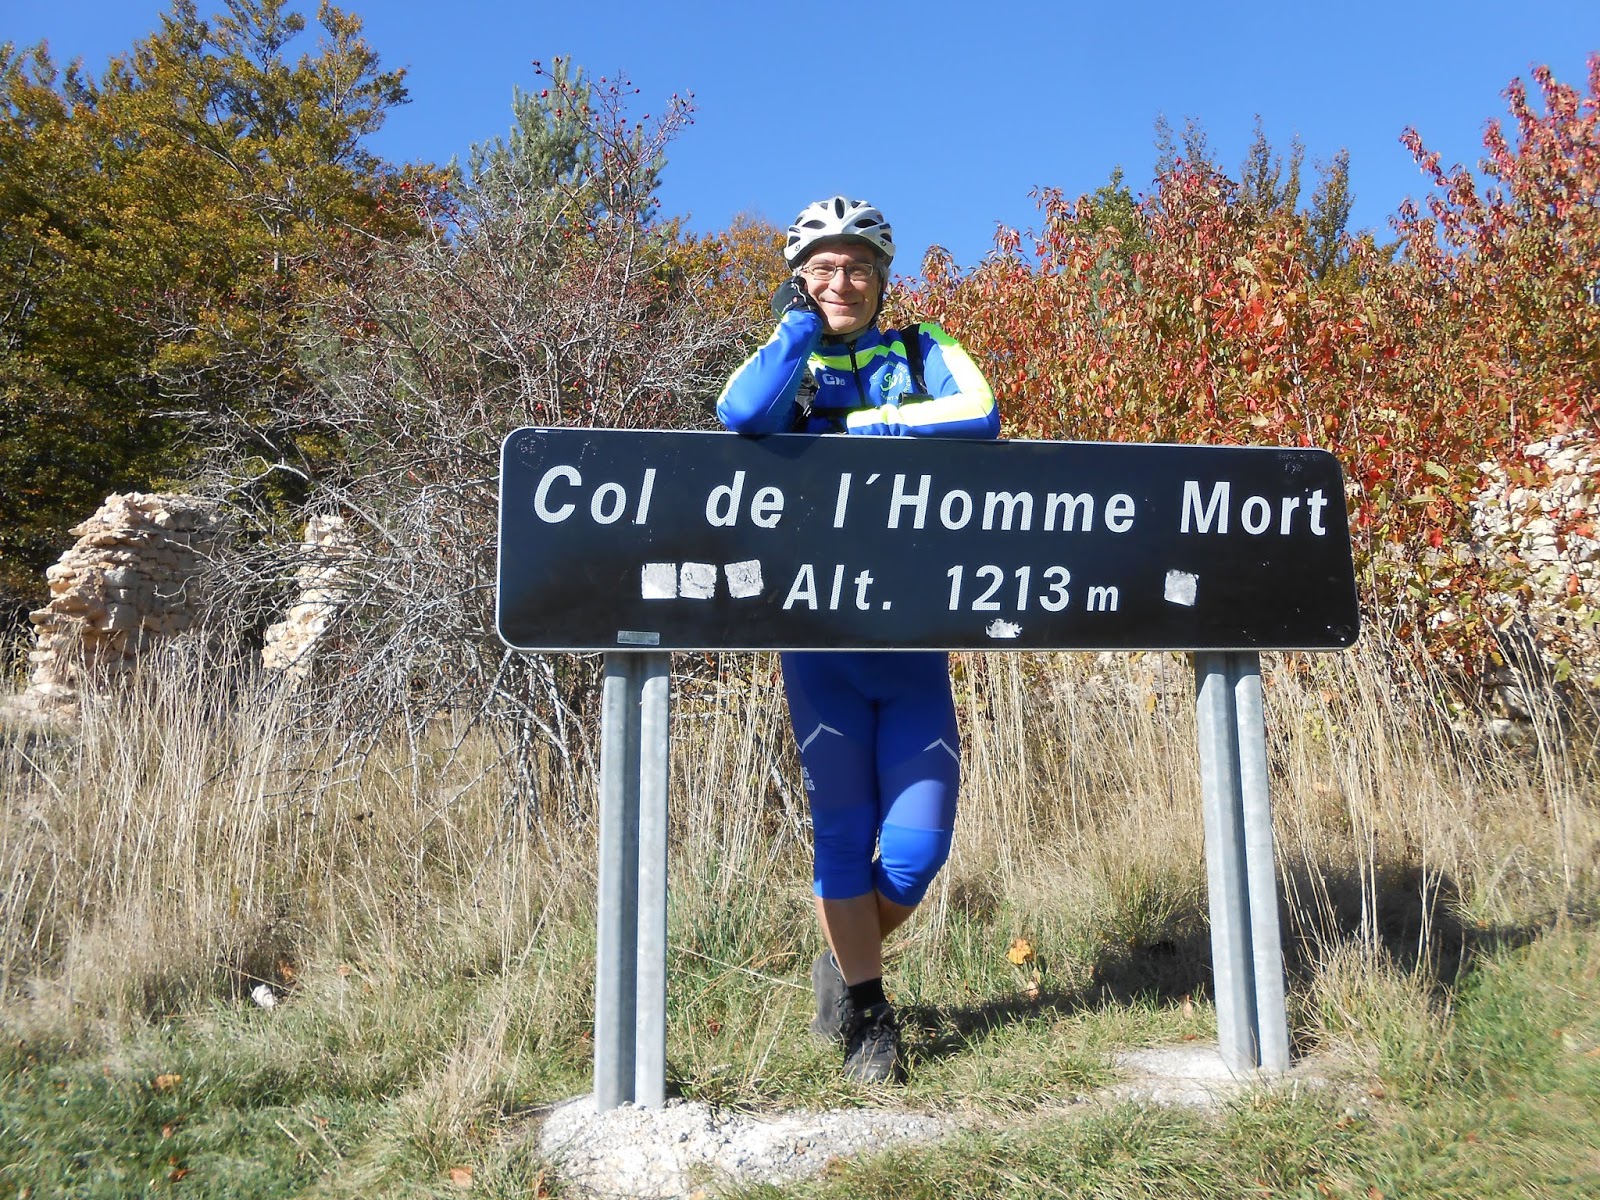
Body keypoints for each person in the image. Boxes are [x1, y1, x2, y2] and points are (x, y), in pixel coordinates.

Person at [716, 197, 1000, 1082]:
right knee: (840, 836)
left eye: (858, 266)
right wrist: (797, 333)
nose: (842, 281)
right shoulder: (789, 360)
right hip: (820, 643)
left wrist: (863, 428)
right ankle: (872, 1016)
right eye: (823, 267)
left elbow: (980, 412)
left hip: (913, 640)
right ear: (801, 277)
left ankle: (842, 960)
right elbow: (739, 414)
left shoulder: (921, 348)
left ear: (882, 277)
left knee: (916, 852)